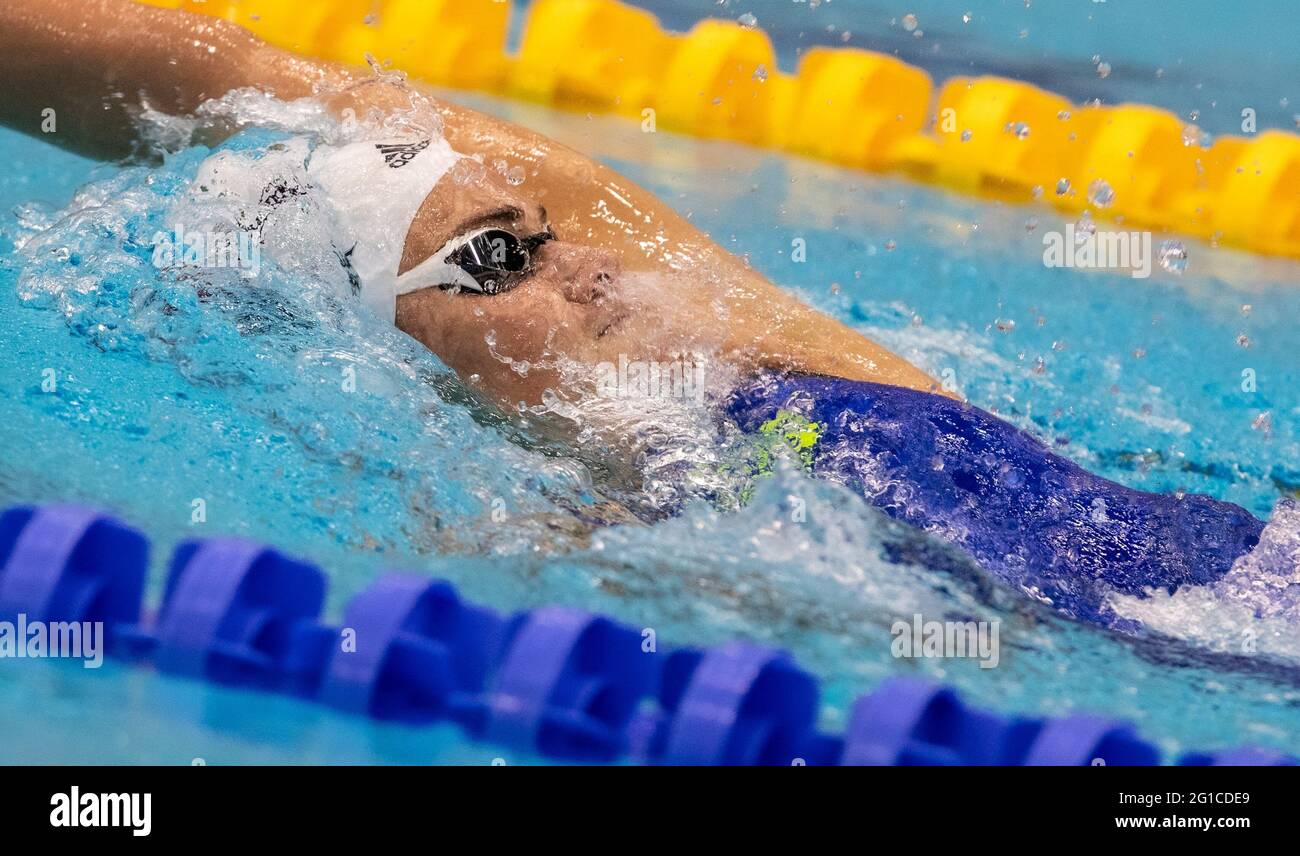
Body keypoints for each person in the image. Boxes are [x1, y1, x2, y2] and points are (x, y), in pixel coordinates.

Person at [0, 0, 1268, 627]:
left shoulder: (723, 344)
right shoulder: (565, 506)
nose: (585, 263)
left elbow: (238, 74)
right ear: (385, 339)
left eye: (544, 231)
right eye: (500, 259)